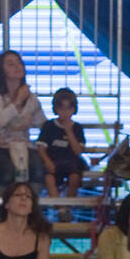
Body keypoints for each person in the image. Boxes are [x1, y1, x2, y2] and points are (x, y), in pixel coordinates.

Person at [0, 51, 46, 190]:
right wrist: (18, 101)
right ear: (2, 70)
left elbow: (42, 123)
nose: (17, 67)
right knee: (8, 173)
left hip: (24, 146)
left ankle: (30, 207)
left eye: (19, 62)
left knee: (37, 171)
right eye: (10, 64)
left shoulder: (31, 99)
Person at [38, 88, 88, 216]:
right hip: (53, 160)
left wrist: (69, 131)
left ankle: (69, 206)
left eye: (69, 108)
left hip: (72, 161)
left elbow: (78, 151)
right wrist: (47, 161)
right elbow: (41, 148)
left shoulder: (77, 128)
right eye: (61, 108)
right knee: (49, 177)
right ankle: (60, 208)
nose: (65, 112)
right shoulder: (48, 126)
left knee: (75, 177)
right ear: (56, 109)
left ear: (74, 109)